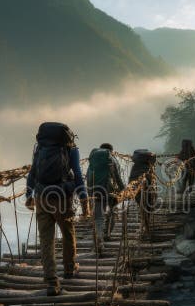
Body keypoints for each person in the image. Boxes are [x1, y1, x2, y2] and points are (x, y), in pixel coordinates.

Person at [25, 122, 89, 295]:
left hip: (41, 196)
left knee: (46, 240)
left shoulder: (40, 148)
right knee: (68, 234)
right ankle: (69, 269)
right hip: (62, 197)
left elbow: (32, 173)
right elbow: (77, 175)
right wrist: (84, 200)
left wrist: (28, 195)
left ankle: (52, 281)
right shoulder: (71, 149)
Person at [86, 142, 124, 255]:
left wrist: (89, 191)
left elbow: (88, 175)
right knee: (113, 211)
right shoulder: (112, 159)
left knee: (98, 217)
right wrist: (123, 190)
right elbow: (117, 177)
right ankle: (108, 234)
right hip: (110, 190)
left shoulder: (93, 158)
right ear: (111, 151)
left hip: (95, 189)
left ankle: (99, 237)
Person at [129, 149, 157, 237]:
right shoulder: (149, 166)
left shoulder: (134, 167)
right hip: (148, 184)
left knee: (141, 205)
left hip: (135, 185)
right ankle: (146, 226)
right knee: (148, 205)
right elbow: (153, 179)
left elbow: (130, 179)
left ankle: (144, 226)